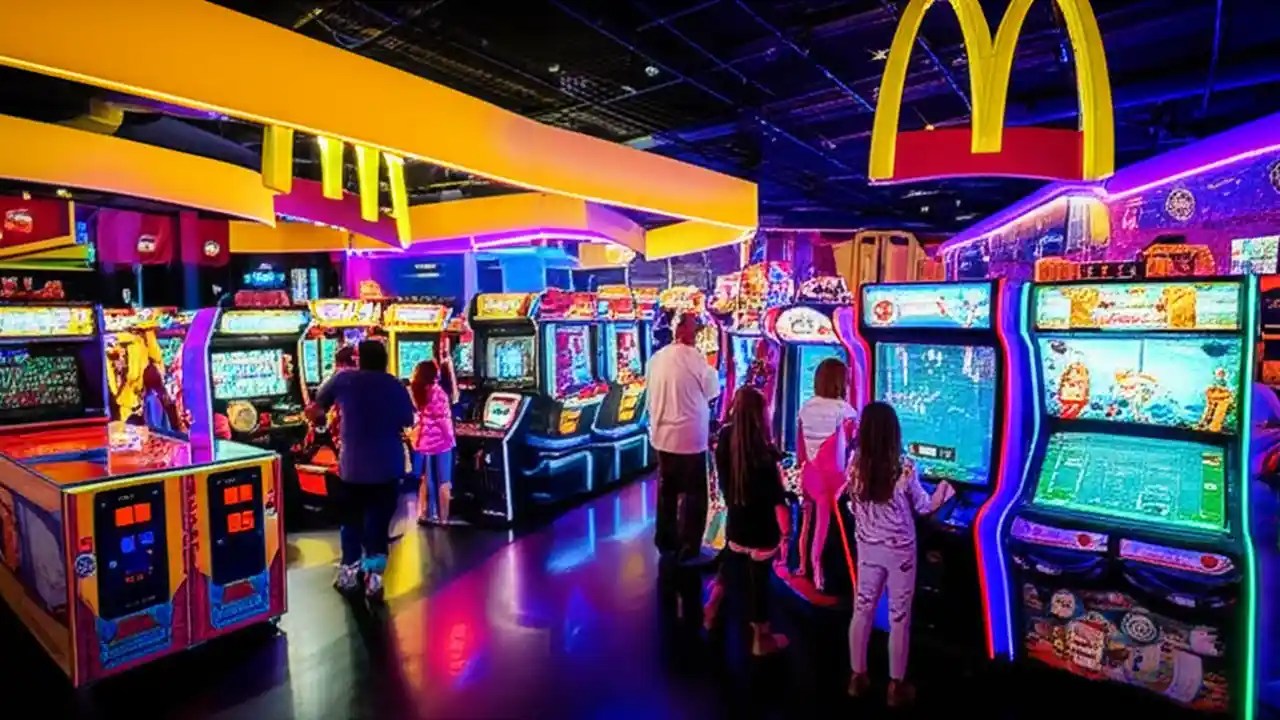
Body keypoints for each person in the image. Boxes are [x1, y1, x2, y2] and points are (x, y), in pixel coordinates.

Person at [845, 402, 954, 708]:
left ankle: (857, 676)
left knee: (862, 610)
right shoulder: (903, 467)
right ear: (894, 432)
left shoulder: (854, 465)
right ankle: (896, 686)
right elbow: (924, 507)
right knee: (899, 617)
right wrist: (945, 490)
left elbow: (853, 505)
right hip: (900, 553)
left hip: (867, 548)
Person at [307, 339, 416, 600]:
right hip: (388, 466)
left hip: (353, 467)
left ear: (359, 359)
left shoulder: (344, 380)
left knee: (351, 522)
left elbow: (315, 408)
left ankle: (349, 575)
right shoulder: (395, 385)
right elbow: (408, 421)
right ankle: (374, 580)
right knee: (378, 525)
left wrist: (322, 423)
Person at [704, 386, 791, 655]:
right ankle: (760, 639)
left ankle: (712, 607)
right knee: (759, 582)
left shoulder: (725, 438)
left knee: (731, 564)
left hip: (736, 524)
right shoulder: (763, 453)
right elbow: (778, 501)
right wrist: (787, 535)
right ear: (759, 414)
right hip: (762, 529)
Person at [645, 311, 721, 561]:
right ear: (686, 332)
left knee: (667, 491)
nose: (697, 335)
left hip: (662, 435)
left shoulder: (657, 358)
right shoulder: (696, 359)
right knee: (694, 494)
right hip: (689, 437)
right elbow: (713, 392)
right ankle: (689, 546)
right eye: (696, 330)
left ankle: (665, 541)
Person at [795, 357, 857, 591]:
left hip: (809, 476)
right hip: (832, 479)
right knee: (823, 524)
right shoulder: (845, 411)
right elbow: (852, 449)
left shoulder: (805, 407)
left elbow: (801, 452)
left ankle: (802, 565)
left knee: (806, 524)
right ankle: (819, 571)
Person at [411, 359, 457, 525]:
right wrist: (451, 438)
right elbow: (444, 419)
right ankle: (443, 519)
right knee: (444, 481)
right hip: (442, 441)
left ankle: (424, 513)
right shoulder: (438, 393)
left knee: (426, 478)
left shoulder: (417, 391)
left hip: (424, 441)